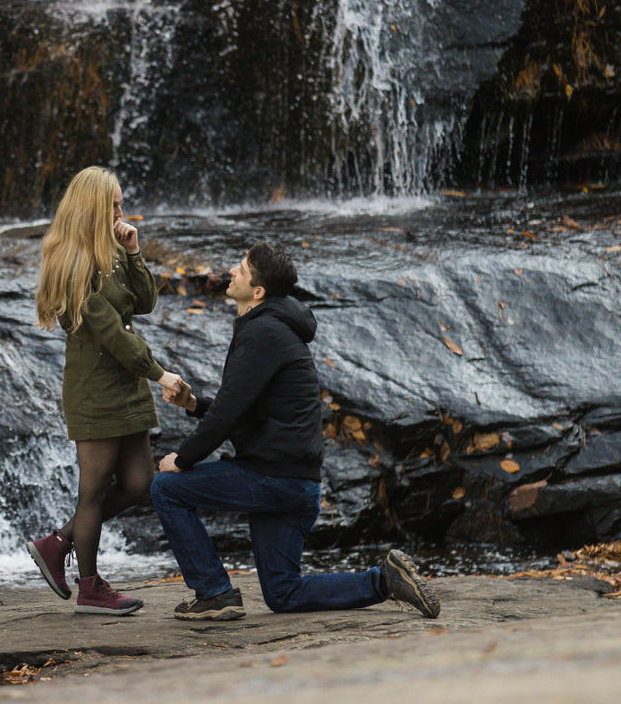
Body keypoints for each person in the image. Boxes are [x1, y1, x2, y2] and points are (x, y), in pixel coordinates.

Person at [150, 242, 440, 621]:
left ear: (258, 291)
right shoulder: (271, 326)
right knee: (283, 593)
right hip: (294, 482)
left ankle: (214, 593)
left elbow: (229, 412)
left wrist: (183, 459)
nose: (232, 271)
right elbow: (244, 407)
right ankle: (386, 581)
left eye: (241, 268)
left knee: (167, 488)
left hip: (273, 477)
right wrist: (193, 405)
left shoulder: (263, 332)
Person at [26, 166, 190, 615]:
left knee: (140, 484)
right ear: (93, 207)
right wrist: (160, 374)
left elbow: (145, 303)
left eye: (121, 203)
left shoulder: (112, 250)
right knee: (93, 491)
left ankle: (57, 543)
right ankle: (90, 588)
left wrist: (134, 252)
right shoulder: (73, 264)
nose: (121, 212)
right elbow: (112, 334)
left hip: (126, 384)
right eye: (114, 205)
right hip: (95, 388)